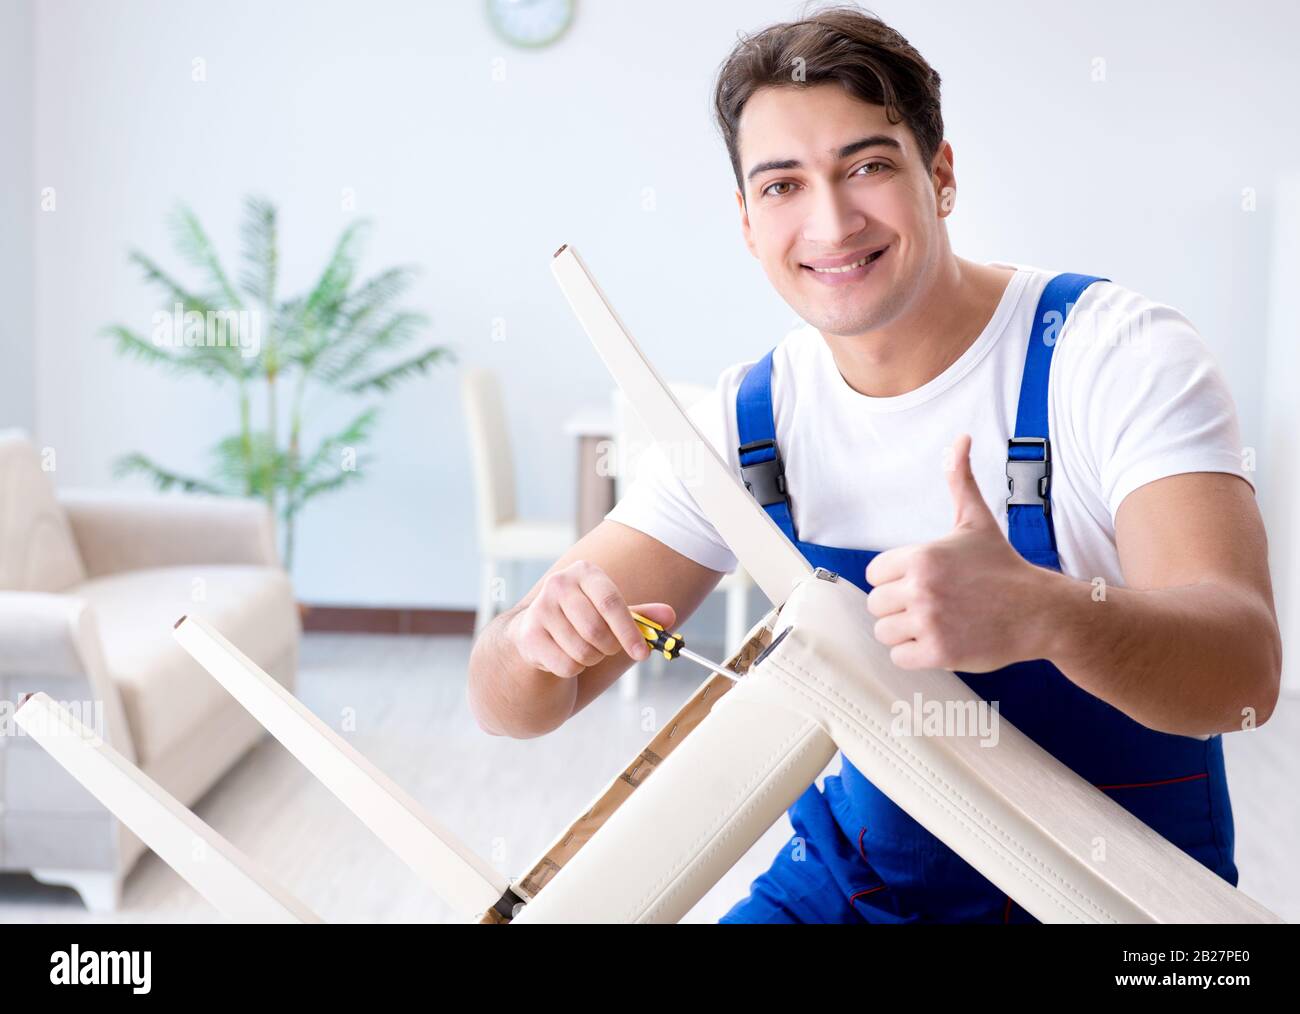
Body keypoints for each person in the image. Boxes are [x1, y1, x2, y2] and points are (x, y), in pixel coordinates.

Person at [467, 5, 1281, 923]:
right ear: (746, 220)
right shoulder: (747, 422)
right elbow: (514, 707)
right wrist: (532, 639)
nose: (831, 221)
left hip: (1111, 899)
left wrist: (1051, 615)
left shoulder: (1112, 357)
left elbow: (1244, 675)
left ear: (940, 175)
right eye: (782, 185)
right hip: (851, 899)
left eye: (867, 166)